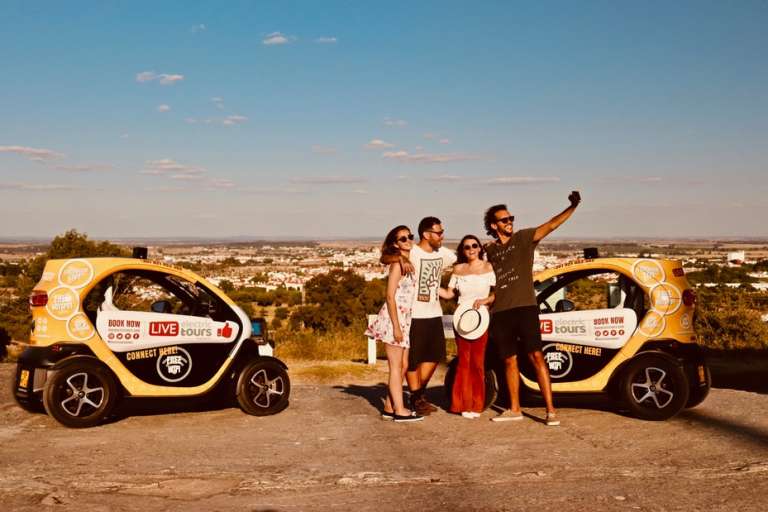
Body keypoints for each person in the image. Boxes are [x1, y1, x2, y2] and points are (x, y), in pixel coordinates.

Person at [484, 191, 581, 426]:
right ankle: (514, 409)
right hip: (501, 312)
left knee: (537, 356)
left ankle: (551, 410)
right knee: (509, 361)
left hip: (525, 308)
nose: (510, 223)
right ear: (493, 225)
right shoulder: (490, 250)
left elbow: (551, 225)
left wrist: (573, 206)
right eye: (505, 220)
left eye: (511, 219)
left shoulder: (524, 238)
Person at [365, 225, 424, 422]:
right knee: (396, 366)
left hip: (404, 319)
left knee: (403, 365)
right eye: (402, 238)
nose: (408, 240)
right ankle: (400, 411)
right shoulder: (398, 264)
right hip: (394, 320)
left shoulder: (405, 261)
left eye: (409, 236)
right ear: (395, 244)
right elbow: (389, 296)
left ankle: (390, 406)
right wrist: (397, 327)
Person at [398, 216, 456, 415]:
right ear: (426, 234)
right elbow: (385, 255)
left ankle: (416, 394)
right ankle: (417, 399)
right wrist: (399, 258)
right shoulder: (412, 251)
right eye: (438, 233)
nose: (442, 236)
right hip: (413, 314)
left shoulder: (444, 254)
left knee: (434, 357)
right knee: (413, 359)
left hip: (434, 313)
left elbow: (465, 262)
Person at [440, 235, 495, 419]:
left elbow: (497, 293)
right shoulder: (458, 269)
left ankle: (476, 404)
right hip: (462, 320)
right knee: (464, 362)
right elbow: (449, 294)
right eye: (466, 247)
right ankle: (461, 403)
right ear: (462, 250)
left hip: (481, 320)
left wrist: (486, 300)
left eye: (474, 245)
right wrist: (430, 286)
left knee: (478, 363)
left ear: (480, 248)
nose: (471, 249)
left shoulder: (489, 268)